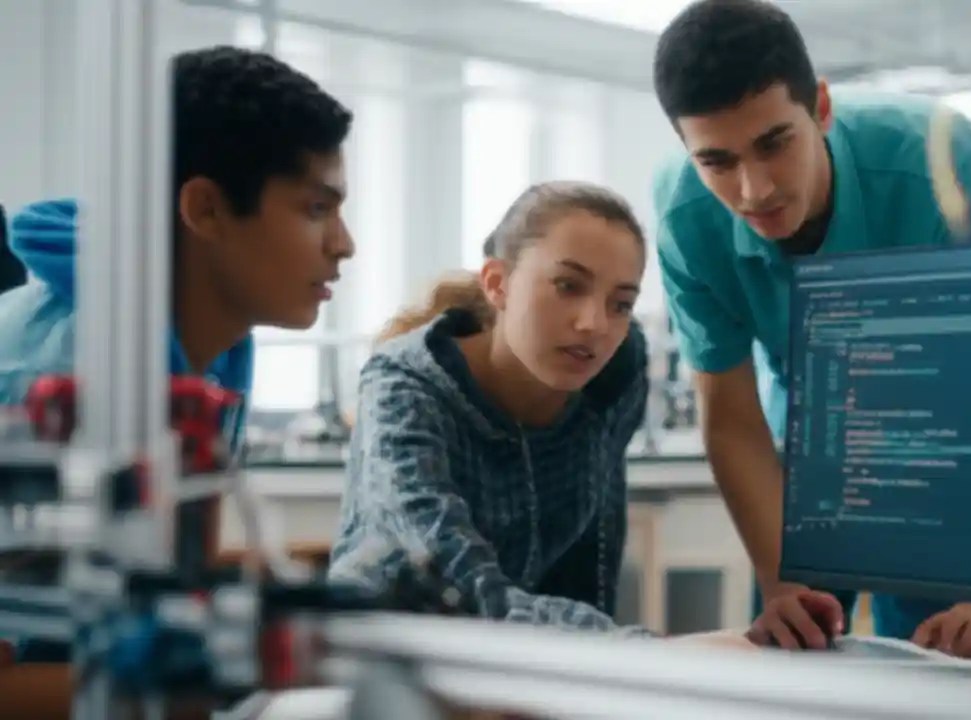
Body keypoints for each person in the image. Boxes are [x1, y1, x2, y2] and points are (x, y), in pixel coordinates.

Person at [651, 0, 971, 657]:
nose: (754, 188)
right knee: (795, 649)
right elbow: (730, 415)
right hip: (803, 443)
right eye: (716, 161)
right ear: (687, 151)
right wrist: (782, 582)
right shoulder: (687, 220)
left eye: (774, 143)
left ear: (821, 107)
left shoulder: (944, 164)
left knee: (948, 652)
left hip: (944, 429)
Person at [0, 42, 355, 703]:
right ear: (206, 210)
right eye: (316, 209)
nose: (344, 243)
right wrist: (222, 664)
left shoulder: (213, 345)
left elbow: (168, 577)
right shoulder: (47, 385)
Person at [327, 181, 746, 648]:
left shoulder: (617, 371)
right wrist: (657, 653)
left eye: (621, 303)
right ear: (496, 283)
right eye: (568, 286)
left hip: (529, 667)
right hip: (390, 660)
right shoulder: (405, 388)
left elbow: (592, 559)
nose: (594, 324)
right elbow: (463, 591)